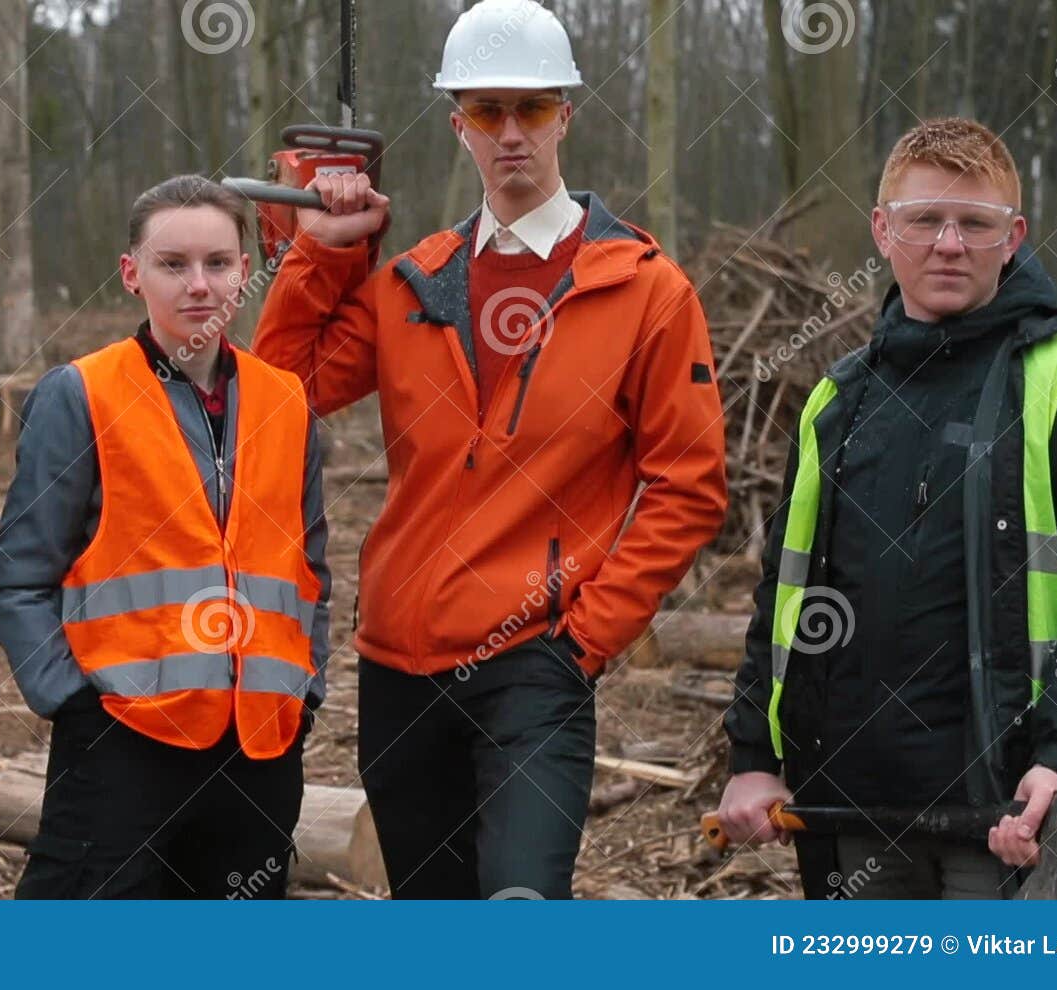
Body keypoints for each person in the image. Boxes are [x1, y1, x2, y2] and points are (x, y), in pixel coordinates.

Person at [252, 0, 727, 899]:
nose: (511, 132)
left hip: (536, 667)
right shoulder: (412, 281)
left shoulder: (647, 291)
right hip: (398, 666)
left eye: (533, 109)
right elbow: (282, 390)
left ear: (566, 117)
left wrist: (582, 640)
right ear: (458, 124)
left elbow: (689, 486)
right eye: (487, 111)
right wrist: (324, 254)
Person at [717, 117, 1057, 899]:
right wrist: (753, 755)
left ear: (1014, 236)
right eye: (926, 220)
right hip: (849, 812)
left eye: (975, 224)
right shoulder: (838, 401)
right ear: (884, 231)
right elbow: (785, 599)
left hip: (1018, 815)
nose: (949, 244)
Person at [0, 174, 331, 899]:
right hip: (121, 747)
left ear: (246, 269)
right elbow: (18, 579)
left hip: (261, 754)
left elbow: (312, 573)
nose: (198, 285)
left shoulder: (286, 402)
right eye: (173, 264)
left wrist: (307, 690)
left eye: (219, 263)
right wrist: (74, 706)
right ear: (132, 274)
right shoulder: (81, 395)